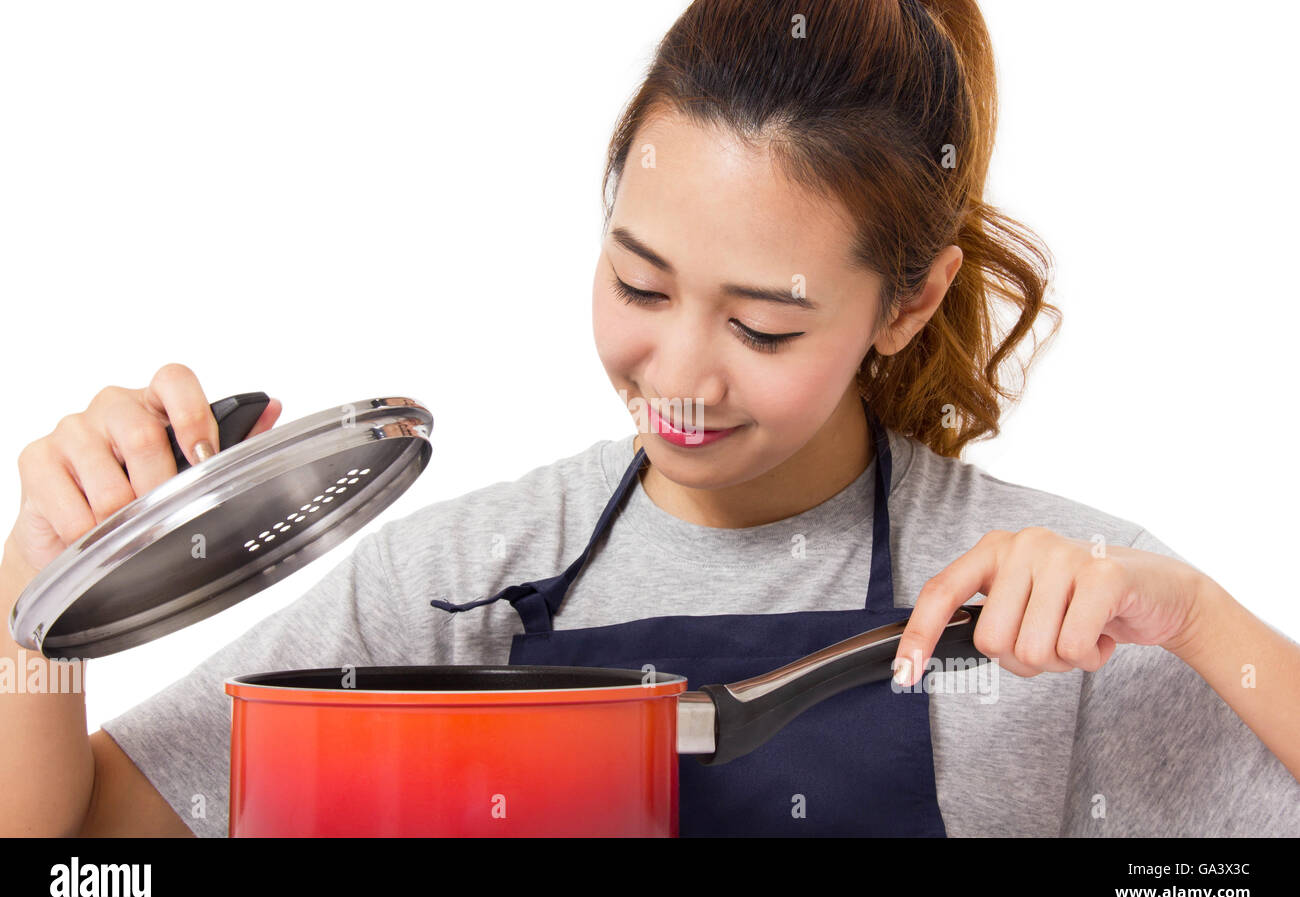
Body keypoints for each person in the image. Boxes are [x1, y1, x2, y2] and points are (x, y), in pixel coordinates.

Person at [2, 0, 1297, 837]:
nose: (677, 367)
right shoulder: (451, 588)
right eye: (638, 280)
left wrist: (1195, 621)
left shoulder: (1052, 620)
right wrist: (36, 591)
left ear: (909, 304)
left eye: (765, 325)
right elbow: (74, 858)